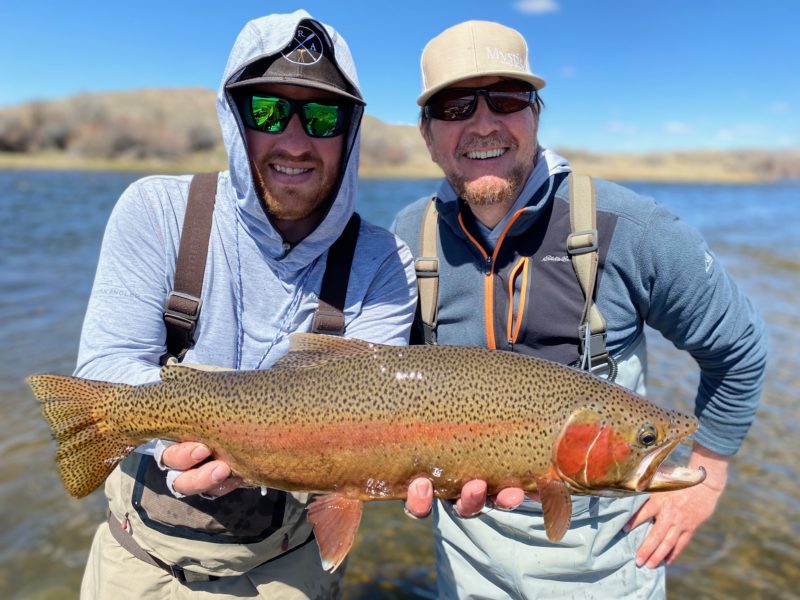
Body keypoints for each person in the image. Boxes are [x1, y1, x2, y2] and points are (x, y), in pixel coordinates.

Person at [396, 19, 767, 599]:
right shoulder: (406, 237)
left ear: (536, 113)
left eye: (508, 97)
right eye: (455, 105)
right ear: (426, 132)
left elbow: (739, 350)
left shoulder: (634, 230)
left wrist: (707, 478)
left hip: (607, 565)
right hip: (464, 557)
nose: (484, 122)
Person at [75, 10, 416, 599]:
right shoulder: (155, 211)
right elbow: (101, 372)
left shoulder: (385, 262)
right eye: (266, 111)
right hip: (139, 557)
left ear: (350, 131)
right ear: (235, 118)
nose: (294, 140)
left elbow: (366, 428)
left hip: (285, 566)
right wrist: (184, 443)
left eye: (322, 115)